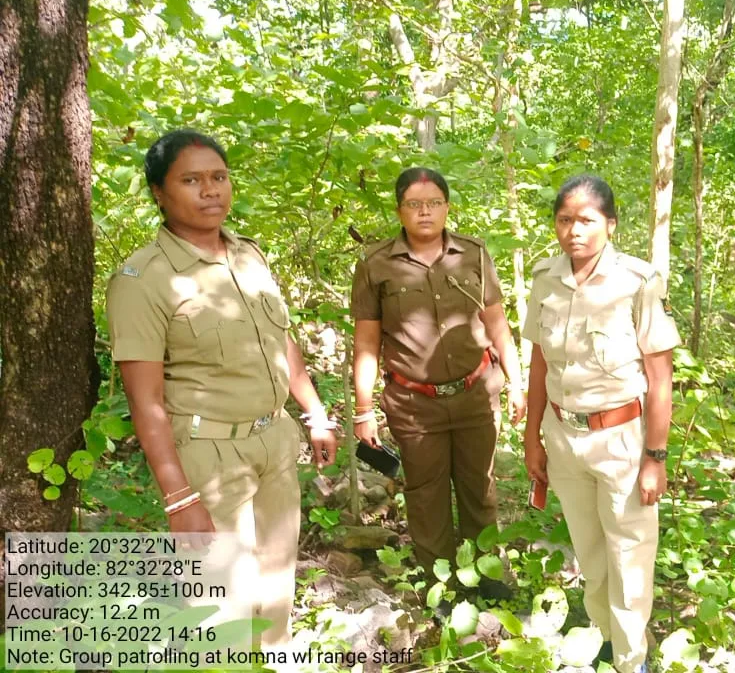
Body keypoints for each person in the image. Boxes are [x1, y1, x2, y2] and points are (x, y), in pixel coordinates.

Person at [107, 129, 338, 651]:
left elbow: (281, 342)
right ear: (158, 194)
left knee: (276, 588)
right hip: (208, 457)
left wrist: (315, 412)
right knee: (221, 612)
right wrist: (179, 497)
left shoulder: (248, 256)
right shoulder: (144, 279)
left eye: (218, 177)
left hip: (274, 443)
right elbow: (146, 402)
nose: (210, 190)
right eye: (191, 180)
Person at [522, 175, 681, 673]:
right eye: (565, 219)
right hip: (563, 436)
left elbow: (660, 378)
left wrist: (655, 458)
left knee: (629, 557)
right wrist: (533, 438)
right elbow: (539, 364)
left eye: (587, 220)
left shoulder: (638, 282)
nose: (574, 231)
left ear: (610, 225)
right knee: (590, 554)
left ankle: (631, 661)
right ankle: (603, 643)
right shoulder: (545, 278)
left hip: (622, 440)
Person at [349, 167, 524, 596]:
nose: (424, 211)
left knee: (478, 488)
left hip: (476, 393)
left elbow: (498, 325)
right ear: (399, 210)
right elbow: (367, 344)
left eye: (434, 203)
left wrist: (518, 382)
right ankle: (441, 586)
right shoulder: (376, 265)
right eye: (414, 204)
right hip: (413, 402)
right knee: (426, 498)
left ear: (447, 207)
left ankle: (487, 577)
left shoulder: (474, 255)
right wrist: (363, 408)